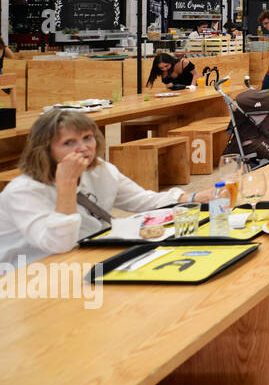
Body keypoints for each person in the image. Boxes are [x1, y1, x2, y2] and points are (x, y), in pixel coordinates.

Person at [0, 109, 213, 269]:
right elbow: (58, 244)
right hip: (29, 276)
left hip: (85, 258)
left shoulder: (99, 170)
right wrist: (66, 186)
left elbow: (142, 200)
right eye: (69, 143)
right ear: (45, 150)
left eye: (87, 138)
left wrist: (193, 196)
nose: (83, 148)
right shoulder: (24, 192)